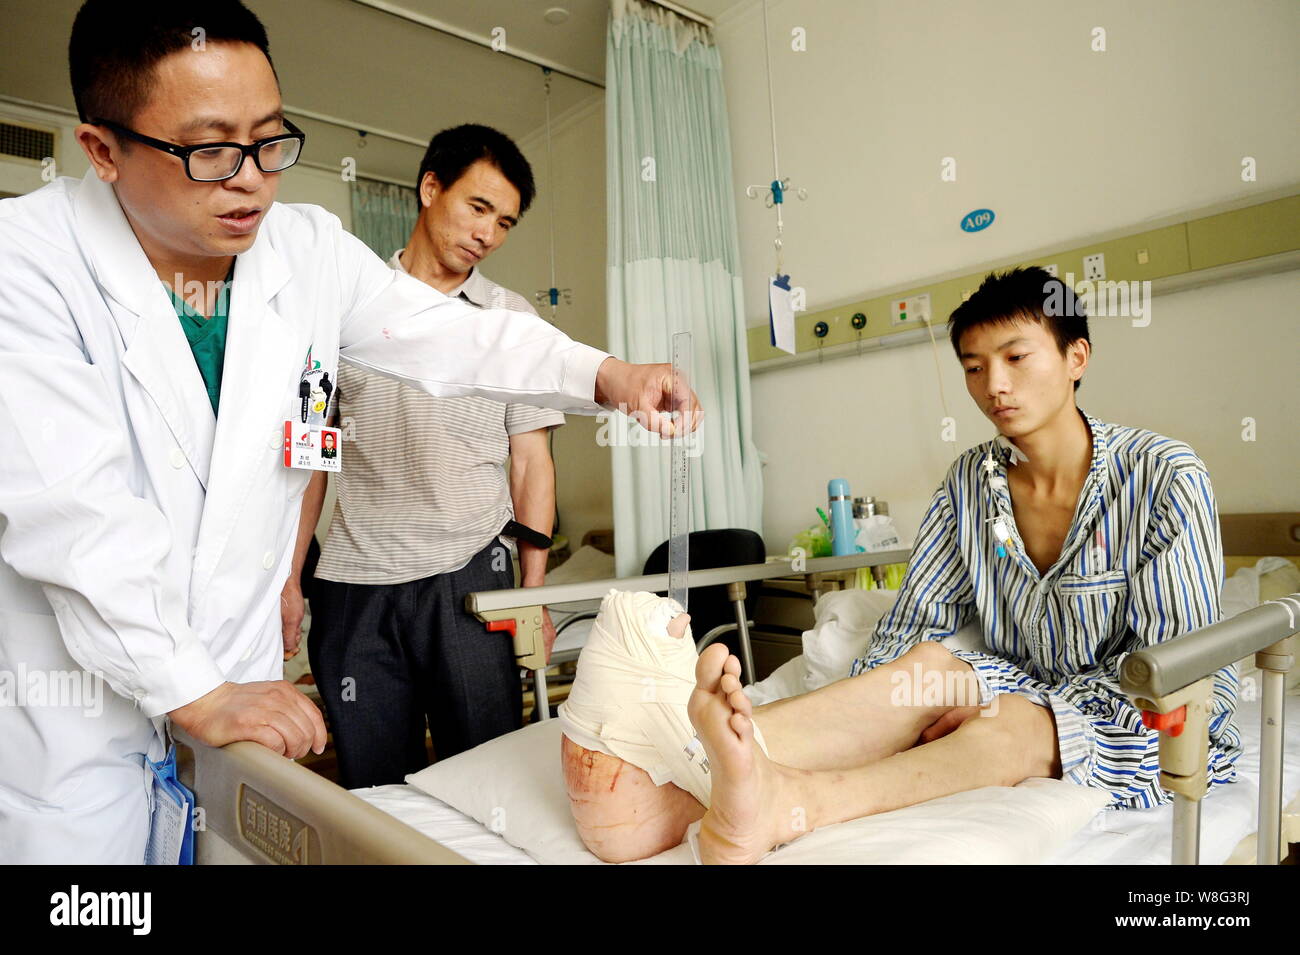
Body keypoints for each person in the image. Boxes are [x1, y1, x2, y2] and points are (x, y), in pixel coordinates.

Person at [0, 0, 696, 864]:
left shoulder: (304, 252)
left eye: (270, 140)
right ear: (103, 149)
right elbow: (75, 517)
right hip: (80, 722)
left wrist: (608, 376)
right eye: (212, 150)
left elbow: (451, 335)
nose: (254, 180)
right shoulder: (26, 263)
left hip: (245, 684)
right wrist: (196, 690)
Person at [559, 267, 1241, 864]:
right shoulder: (971, 481)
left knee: (1015, 723)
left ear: (1076, 357)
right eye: (973, 367)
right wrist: (899, 707)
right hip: (1024, 680)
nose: (994, 384)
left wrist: (1028, 712)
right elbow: (915, 624)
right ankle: (681, 766)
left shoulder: (1162, 476)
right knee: (927, 667)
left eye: (1015, 356)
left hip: (1150, 720)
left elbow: (1174, 669)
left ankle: (789, 801)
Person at [285, 124, 566, 786]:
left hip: (470, 575)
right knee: (374, 787)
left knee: (486, 779)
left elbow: (531, 463)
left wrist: (532, 592)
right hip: (354, 584)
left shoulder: (511, 320)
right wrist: (290, 580)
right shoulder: (345, 311)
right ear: (431, 187)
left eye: (504, 223)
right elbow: (310, 456)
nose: (487, 234)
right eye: (478, 207)